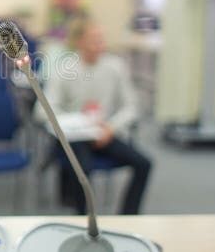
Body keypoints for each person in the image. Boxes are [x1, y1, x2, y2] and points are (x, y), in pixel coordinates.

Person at [37, 16, 152, 215]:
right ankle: (83, 218)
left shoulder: (115, 67)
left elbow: (131, 107)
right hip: (75, 137)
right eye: (94, 39)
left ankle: (128, 216)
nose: (101, 44)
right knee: (82, 169)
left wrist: (111, 127)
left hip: (104, 133)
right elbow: (42, 110)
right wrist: (75, 123)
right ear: (79, 41)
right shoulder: (64, 68)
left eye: (101, 38)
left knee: (144, 164)